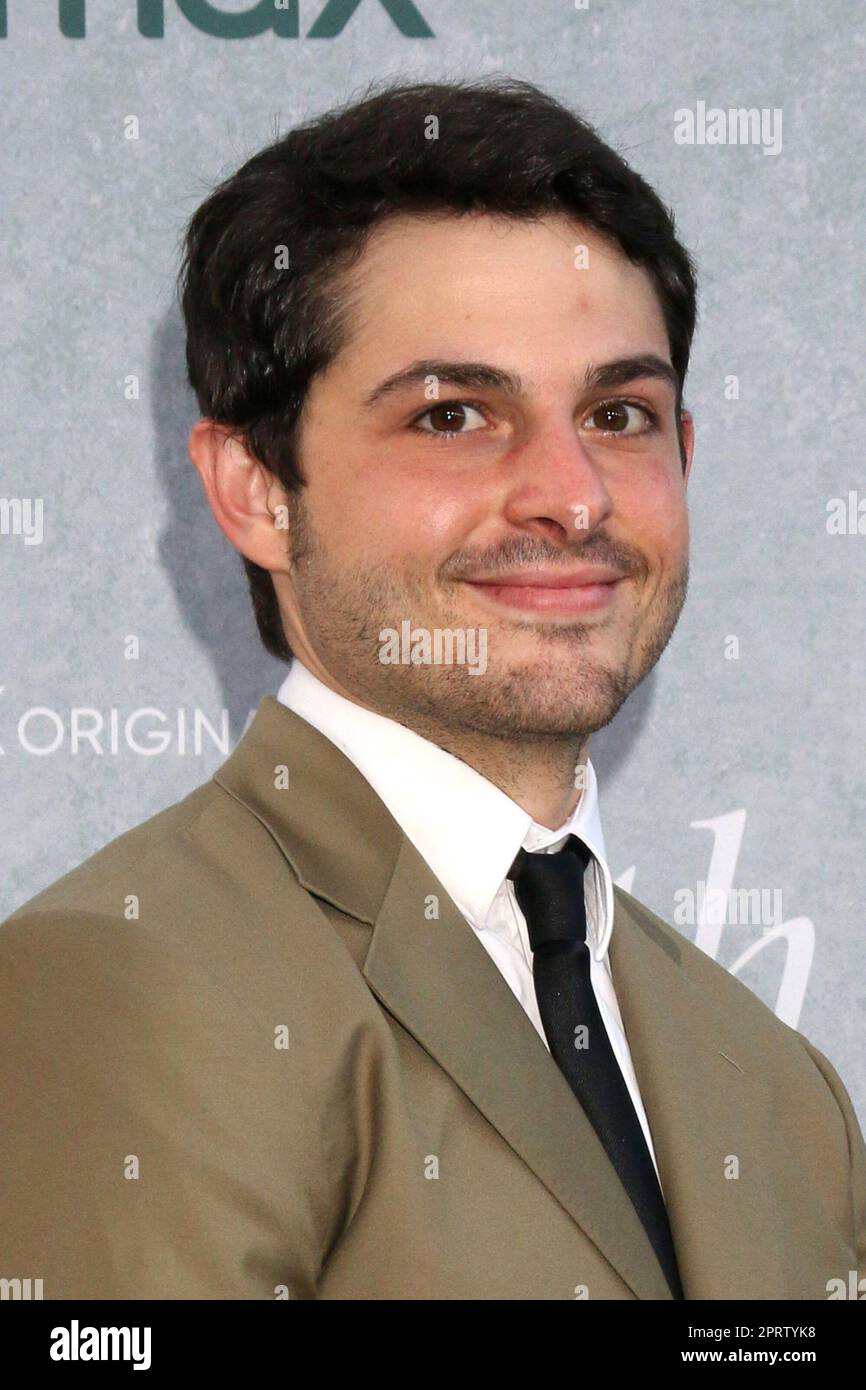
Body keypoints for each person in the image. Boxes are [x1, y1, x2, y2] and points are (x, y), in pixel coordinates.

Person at [1, 77, 863, 1301]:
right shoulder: (122, 984)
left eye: (618, 413)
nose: (571, 494)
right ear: (255, 487)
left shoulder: (778, 1090)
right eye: (453, 413)